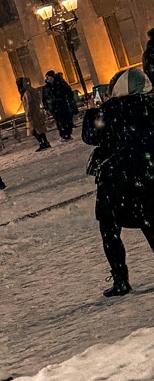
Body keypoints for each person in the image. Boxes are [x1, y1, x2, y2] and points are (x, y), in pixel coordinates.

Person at [82, 66, 154, 297]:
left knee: (110, 230)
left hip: (116, 182)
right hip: (147, 178)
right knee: (149, 223)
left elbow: (91, 136)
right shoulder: (150, 106)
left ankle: (120, 280)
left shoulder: (112, 110)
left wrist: (92, 112)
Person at [42, 69, 78, 142]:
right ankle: (63, 134)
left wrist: (65, 99)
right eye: (47, 77)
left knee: (66, 120)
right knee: (59, 121)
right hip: (54, 107)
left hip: (63, 105)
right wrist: (46, 107)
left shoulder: (60, 84)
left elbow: (68, 92)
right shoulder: (46, 88)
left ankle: (67, 133)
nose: (47, 79)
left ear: (52, 77)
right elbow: (44, 98)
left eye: (48, 77)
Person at [17, 76, 51, 151]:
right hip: (35, 112)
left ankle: (43, 143)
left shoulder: (26, 92)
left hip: (32, 114)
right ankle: (44, 142)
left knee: (35, 130)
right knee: (38, 129)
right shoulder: (31, 90)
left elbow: (29, 103)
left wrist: (28, 113)